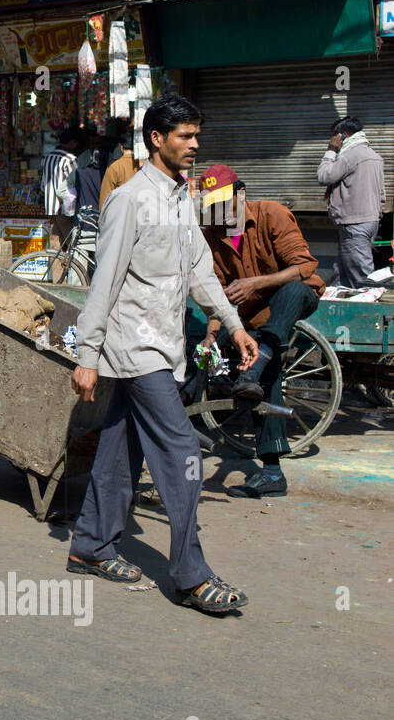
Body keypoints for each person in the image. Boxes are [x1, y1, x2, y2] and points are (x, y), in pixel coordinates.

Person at [69, 95, 259, 615]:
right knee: (183, 453)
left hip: (165, 345)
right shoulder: (128, 200)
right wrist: (87, 353)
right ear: (157, 139)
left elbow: (200, 271)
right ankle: (190, 576)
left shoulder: (180, 198)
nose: (195, 146)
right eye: (185, 136)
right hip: (136, 347)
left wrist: (236, 328)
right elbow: (102, 282)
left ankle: (90, 544)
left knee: (119, 446)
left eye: (197, 136)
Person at [198, 165, 326, 498]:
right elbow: (218, 296)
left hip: (294, 299)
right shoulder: (211, 235)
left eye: (225, 204)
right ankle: (271, 473)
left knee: (292, 292)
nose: (220, 213)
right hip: (253, 321)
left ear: (241, 195)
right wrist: (211, 337)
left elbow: (305, 267)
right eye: (213, 206)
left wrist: (255, 283)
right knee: (250, 364)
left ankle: (258, 363)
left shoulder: (272, 214)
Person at [317, 116, 387, 288]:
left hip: (355, 223)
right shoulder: (374, 156)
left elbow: (324, 176)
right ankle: (337, 305)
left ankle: (370, 309)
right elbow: (382, 193)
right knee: (342, 270)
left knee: (361, 273)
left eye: (334, 135)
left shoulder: (349, 156)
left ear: (343, 135)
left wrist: (331, 151)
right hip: (369, 220)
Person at [41, 126, 84, 241]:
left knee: (56, 242)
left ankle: (57, 260)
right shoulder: (70, 159)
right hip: (65, 208)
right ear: (72, 142)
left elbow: (43, 184)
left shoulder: (48, 157)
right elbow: (75, 183)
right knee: (72, 241)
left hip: (50, 207)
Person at [98, 144, 141, 209]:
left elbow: (105, 200)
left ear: (121, 147)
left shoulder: (114, 167)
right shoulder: (144, 165)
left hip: (121, 213)